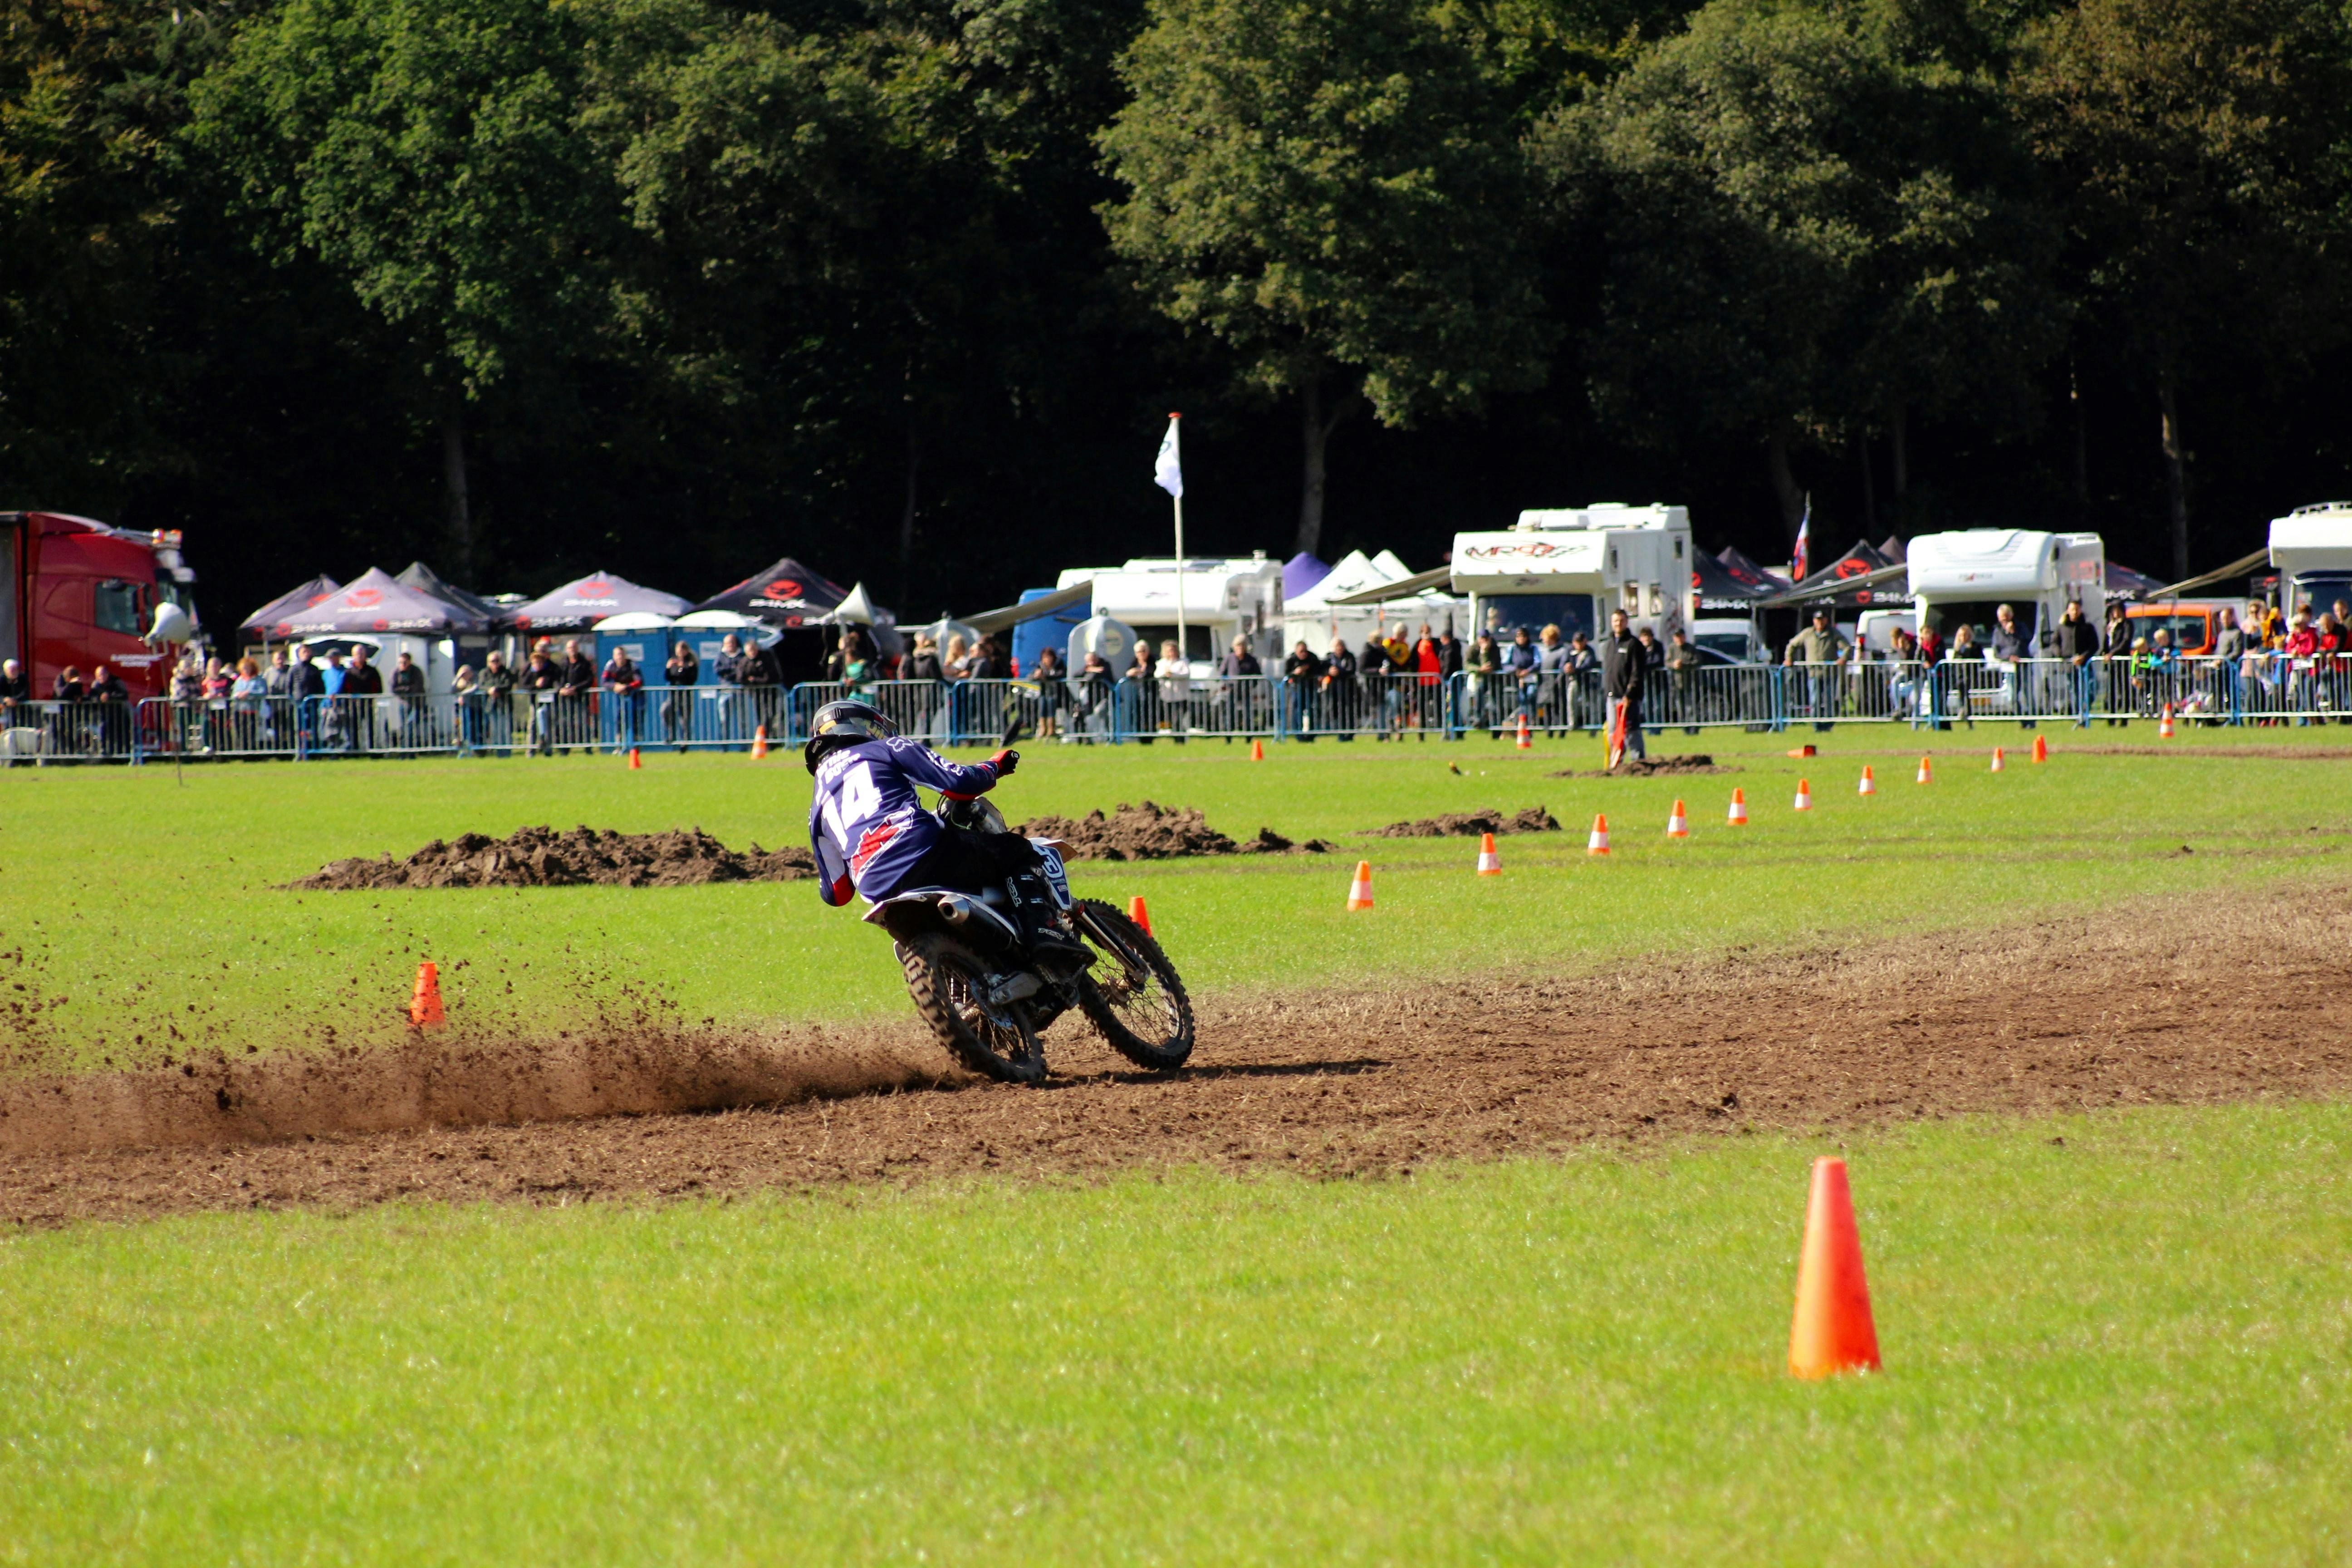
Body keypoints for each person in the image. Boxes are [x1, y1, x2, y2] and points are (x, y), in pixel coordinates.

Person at [803, 700, 1084, 969]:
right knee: (1015, 850)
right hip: (920, 850)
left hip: (877, 888)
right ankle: (1045, 932)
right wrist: (994, 767)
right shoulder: (888, 748)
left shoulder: (816, 807)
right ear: (857, 728)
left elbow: (837, 893)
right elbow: (960, 782)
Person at [1784, 608, 1847, 730]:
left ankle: (1828, 725)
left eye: (1822, 619)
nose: (1820, 622)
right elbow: (1792, 645)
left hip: (1830, 673)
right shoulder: (1807, 633)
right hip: (1814, 673)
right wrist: (1789, 658)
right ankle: (1816, 725)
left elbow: (1846, 647)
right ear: (1814, 621)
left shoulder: (1833, 633)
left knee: (1829, 701)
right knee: (1815, 700)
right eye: (1818, 620)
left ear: (1827, 620)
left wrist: (1843, 658)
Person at [1599, 608, 1647, 764]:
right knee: (1613, 732)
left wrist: (1630, 694)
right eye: (1615, 621)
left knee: (1631, 730)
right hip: (1612, 696)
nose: (1618, 624)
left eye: (1621, 621)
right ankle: (1617, 762)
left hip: (1629, 697)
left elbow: (1637, 672)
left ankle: (1638, 762)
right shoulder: (1608, 645)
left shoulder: (1634, 644)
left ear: (1626, 622)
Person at [2054, 599, 2100, 726]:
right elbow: (2055, 644)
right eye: (2073, 609)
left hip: (2086, 666)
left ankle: (2084, 712)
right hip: (2070, 667)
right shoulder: (2061, 628)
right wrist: (2063, 656)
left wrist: (2083, 657)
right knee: (2075, 693)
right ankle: (2080, 718)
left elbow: (2095, 645)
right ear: (2068, 611)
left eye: (2077, 609)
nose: (2075, 612)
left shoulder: (2088, 627)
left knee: (2092, 689)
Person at [522, 642, 564, 753]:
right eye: (538, 651)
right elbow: (523, 684)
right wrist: (536, 685)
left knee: (550, 723)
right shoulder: (528, 668)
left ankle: (548, 749)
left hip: (549, 701)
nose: (541, 654)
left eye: (543, 652)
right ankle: (531, 749)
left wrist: (555, 688)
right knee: (533, 724)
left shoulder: (553, 667)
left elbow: (557, 681)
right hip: (534, 700)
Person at [602, 645, 645, 750]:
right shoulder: (610, 665)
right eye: (617, 655)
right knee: (619, 719)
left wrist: (626, 687)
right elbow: (604, 682)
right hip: (620, 697)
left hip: (635, 696)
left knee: (636, 719)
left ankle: (636, 745)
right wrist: (615, 686)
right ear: (614, 656)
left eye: (621, 654)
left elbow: (639, 681)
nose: (620, 657)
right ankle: (619, 745)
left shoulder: (632, 664)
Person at [343, 645, 384, 751]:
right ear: (353, 656)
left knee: (370, 728)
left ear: (366, 655)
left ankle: (372, 750)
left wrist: (372, 699)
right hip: (353, 705)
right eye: (358, 654)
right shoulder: (349, 673)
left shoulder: (372, 671)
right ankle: (356, 750)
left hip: (368, 705)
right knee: (354, 728)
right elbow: (345, 689)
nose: (360, 656)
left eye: (362, 654)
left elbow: (379, 688)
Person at [661, 640, 698, 750]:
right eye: (678, 651)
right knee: (665, 711)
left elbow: (693, 679)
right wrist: (668, 668)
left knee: (684, 719)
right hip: (673, 694)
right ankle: (671, 735)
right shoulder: (673, 663)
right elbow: (668, 678)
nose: (680, 653)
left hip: (685, 694)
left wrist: (685, 668)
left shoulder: (691, 664)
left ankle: (685, 742)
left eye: (682, 650)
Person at [1283, 639, 1324, 740]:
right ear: (1296, 651)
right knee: (1297, 711)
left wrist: (1308, 671)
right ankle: (1298, 735)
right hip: (1297, 689)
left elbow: (1319, 671)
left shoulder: (1313, 658)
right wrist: (1295, 673)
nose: (1304, 654)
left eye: (1305, 651)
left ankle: (1312, 735)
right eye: (1301, 651)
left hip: (1311, 688)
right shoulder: (1291, 659)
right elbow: (1286, 674)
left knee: (1312, 711)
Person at [479, 649, 516, 752]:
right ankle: (498, 752)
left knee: (506, 730)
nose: (495, 663)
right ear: (488, 663)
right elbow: (481, 685)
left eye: (497, 661)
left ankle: (507, 752)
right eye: (492, 661)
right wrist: (490, 690)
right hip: (491, 705)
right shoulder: (484, 673)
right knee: (494, 730)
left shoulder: (506, 672)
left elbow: (508, 685)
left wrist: (497, 689)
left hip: (505, 705)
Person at [389, 650, 428, 748]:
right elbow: (393, 688)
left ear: (410, 662)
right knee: (404, 728)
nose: (402, 664)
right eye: (401, 662)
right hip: (404, 704)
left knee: (411, 727)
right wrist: (407, 689)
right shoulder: (396, 672)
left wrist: (404, 689)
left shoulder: (416, 671)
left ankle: (410, 750)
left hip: (417, 704)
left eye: (405, 662)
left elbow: (418, 687)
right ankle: (404, 751)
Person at [1665, 627, 1701, 730]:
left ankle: (1693, 729)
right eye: (1677, 637)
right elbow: (1667, 663)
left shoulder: (1691, 648)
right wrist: (1674, 665)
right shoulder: (1671, 649)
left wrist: (1684, 665)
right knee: (1680, 708)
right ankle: (1684, 729)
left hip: (1690, 683)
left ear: (1684, 637)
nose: (1679, 639)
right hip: (1676, 684)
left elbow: (1698, 662)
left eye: (1681, 637)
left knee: (1691, 707)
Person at [1031, 646, 1066, 740]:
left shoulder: (1059, 664)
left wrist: (1045, 677)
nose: (1047, 660)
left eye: (1049, 657)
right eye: (1045, 657)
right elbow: (1031, 676)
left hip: (1056, 693)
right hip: (1044, 692)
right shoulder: (1041, 666)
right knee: (1042, 707)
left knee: (1051, 705)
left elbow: (1061, 675)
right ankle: (1043, 728)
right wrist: (1036, 676)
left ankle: (1051, 729)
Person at [0, 657, 29, 725]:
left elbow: (26, 692)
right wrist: (5, 700)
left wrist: (15, 700)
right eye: (10, 670)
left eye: (14, 669)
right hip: (7, 710)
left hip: (22, 709)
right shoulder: (2, 680)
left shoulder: (23, 678)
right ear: (5, 671)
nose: (12, 672)